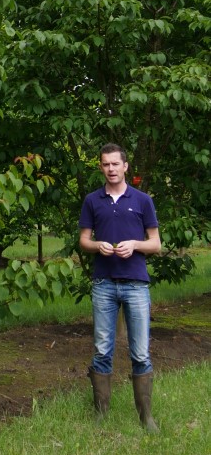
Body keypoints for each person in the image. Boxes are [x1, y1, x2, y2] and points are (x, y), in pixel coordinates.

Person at [79, 144, 161, 431]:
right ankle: (101, 413)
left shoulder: (142, 200)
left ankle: (146, 417)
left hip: (136, 285)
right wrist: (96, 245)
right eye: (105, 164)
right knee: (102, 349)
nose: (111, 169)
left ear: (126, 166)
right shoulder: (93, 200)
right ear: (101, 168)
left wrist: (135, 245)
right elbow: (84, 240)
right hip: (103, 284)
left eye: (116, 164)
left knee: (140, 352)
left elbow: (156, 244)